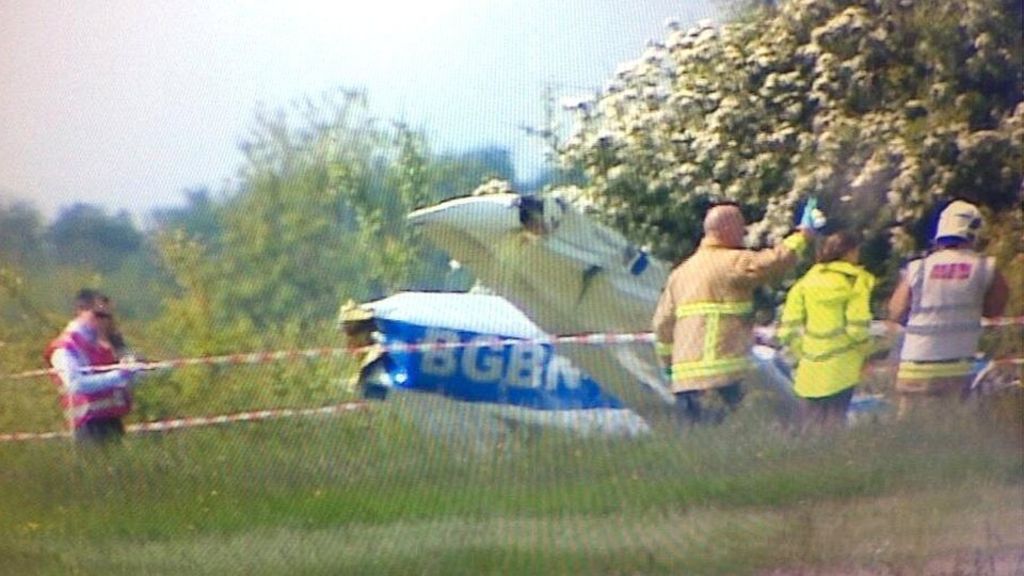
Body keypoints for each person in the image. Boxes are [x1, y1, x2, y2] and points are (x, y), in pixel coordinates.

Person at [652, 199, 824, 426]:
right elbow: (774, 261)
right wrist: (802, 236)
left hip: (685, 382)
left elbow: (662, 325)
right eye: (741, 227)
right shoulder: (732, 262)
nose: (744, 233)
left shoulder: (680, 273)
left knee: (696, 442)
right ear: (726, 229)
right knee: (729, 439)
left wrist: (668, 366)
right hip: (722, 378)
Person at [887, 200, 1009, 416]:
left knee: (910, 433)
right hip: (955, 370)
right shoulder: (985, 267)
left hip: (913, 368)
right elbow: (994, 311)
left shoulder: (918, 267)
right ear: (974, 232)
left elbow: (896, 312)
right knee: (949, 433)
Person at [778, 231, 876, 430]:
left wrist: (803, 353)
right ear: (850, 252)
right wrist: (867, 352)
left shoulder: (805, 282)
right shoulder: (855, 281)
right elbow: (857, 329)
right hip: (843, 367)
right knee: (835, 424)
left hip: (810, 369)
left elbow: (788, 330)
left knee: (810, 426)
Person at [44, 289, 142, 443]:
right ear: (81, 311)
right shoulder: (66, 346)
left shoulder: (105, 344)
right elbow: (75, 383)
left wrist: (135, 369)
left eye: (108, 316)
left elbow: (128, 377)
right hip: (88, 426)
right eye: (99, 315)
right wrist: (119, 375)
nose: (104, 321)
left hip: (112, 421)